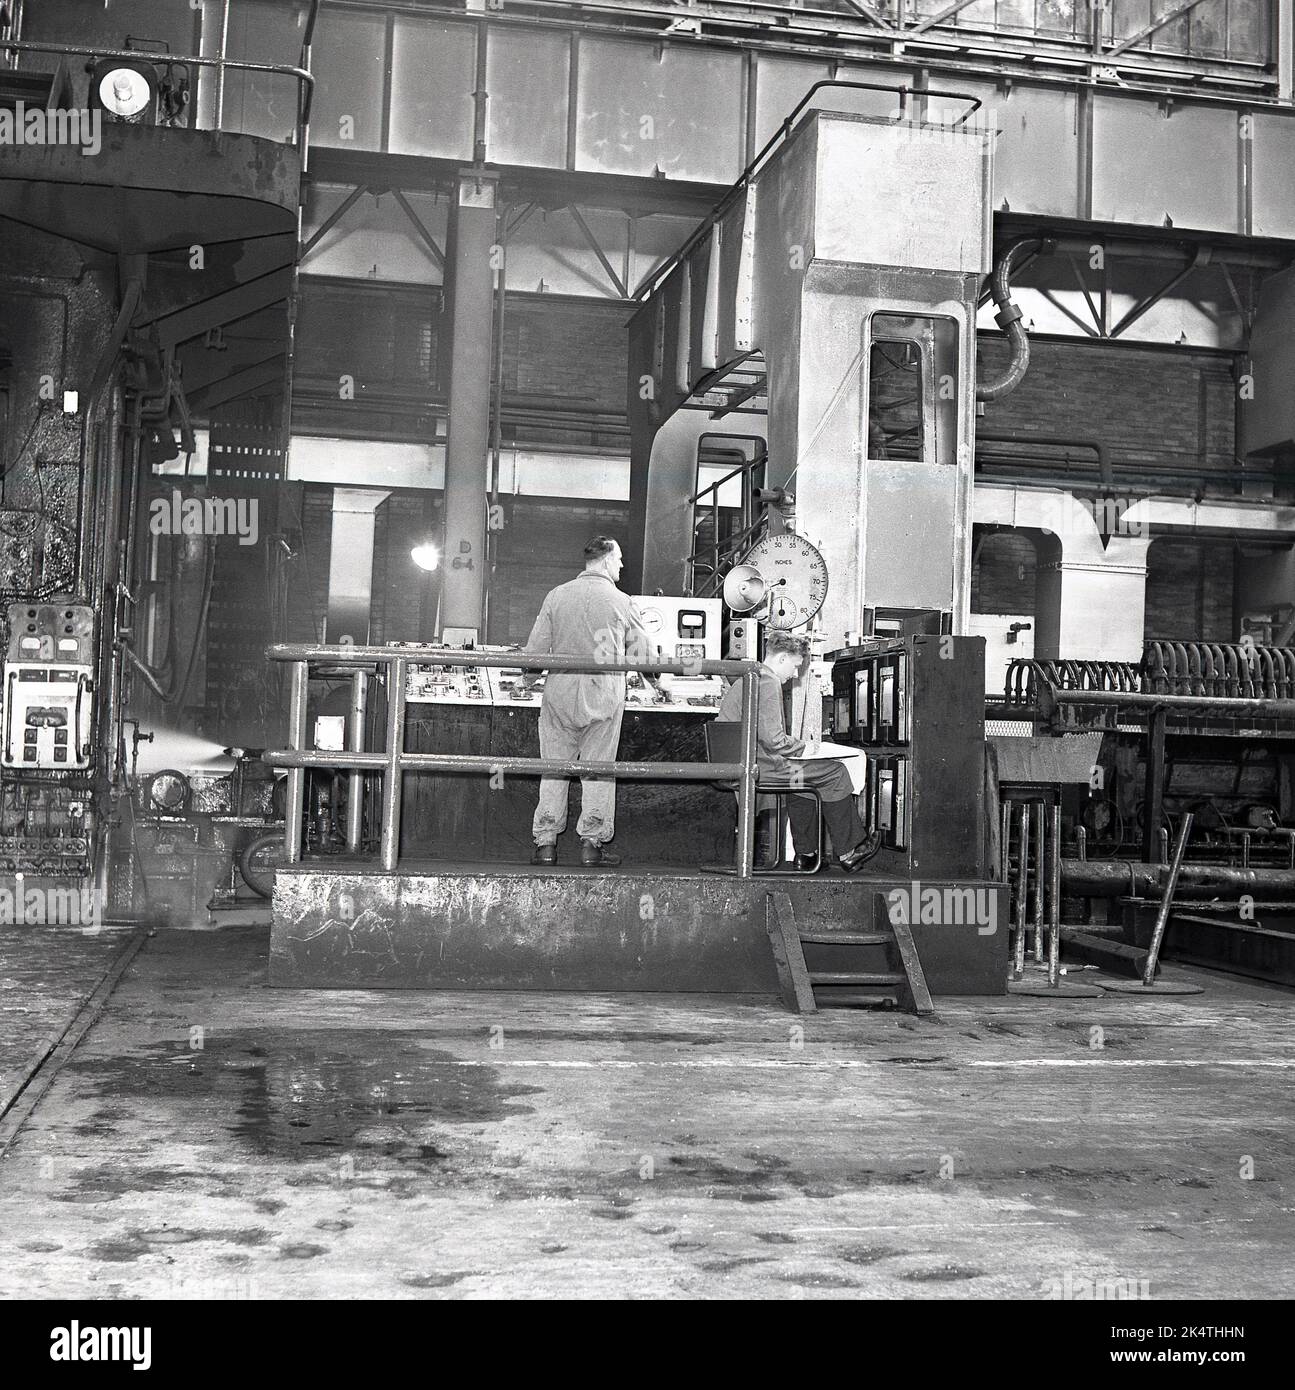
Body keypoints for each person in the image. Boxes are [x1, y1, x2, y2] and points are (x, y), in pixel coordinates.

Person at [524, 536, 665, 866]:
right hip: (602, 695)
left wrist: (528, 679)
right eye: (618, 560)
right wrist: (655, 680)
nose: (622, 565)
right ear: (605, 561)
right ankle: (591, 844)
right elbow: (645, 656)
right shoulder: (622, 601)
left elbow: (534, 652)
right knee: (599, 770)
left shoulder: (556, 596)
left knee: (554, 769)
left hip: (559, 692)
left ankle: (545, 844)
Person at [717, 630, 878, 872]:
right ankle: (850, 851)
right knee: (835, 772)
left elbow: (765, 737)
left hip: (742, 761)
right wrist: (808, 747)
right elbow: (775, 741)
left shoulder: (750, 677)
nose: (794, 674)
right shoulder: (768, 682)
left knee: (800, 782)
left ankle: (806, 854)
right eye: (794, 667)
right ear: (782, 658)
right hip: (759, 767)